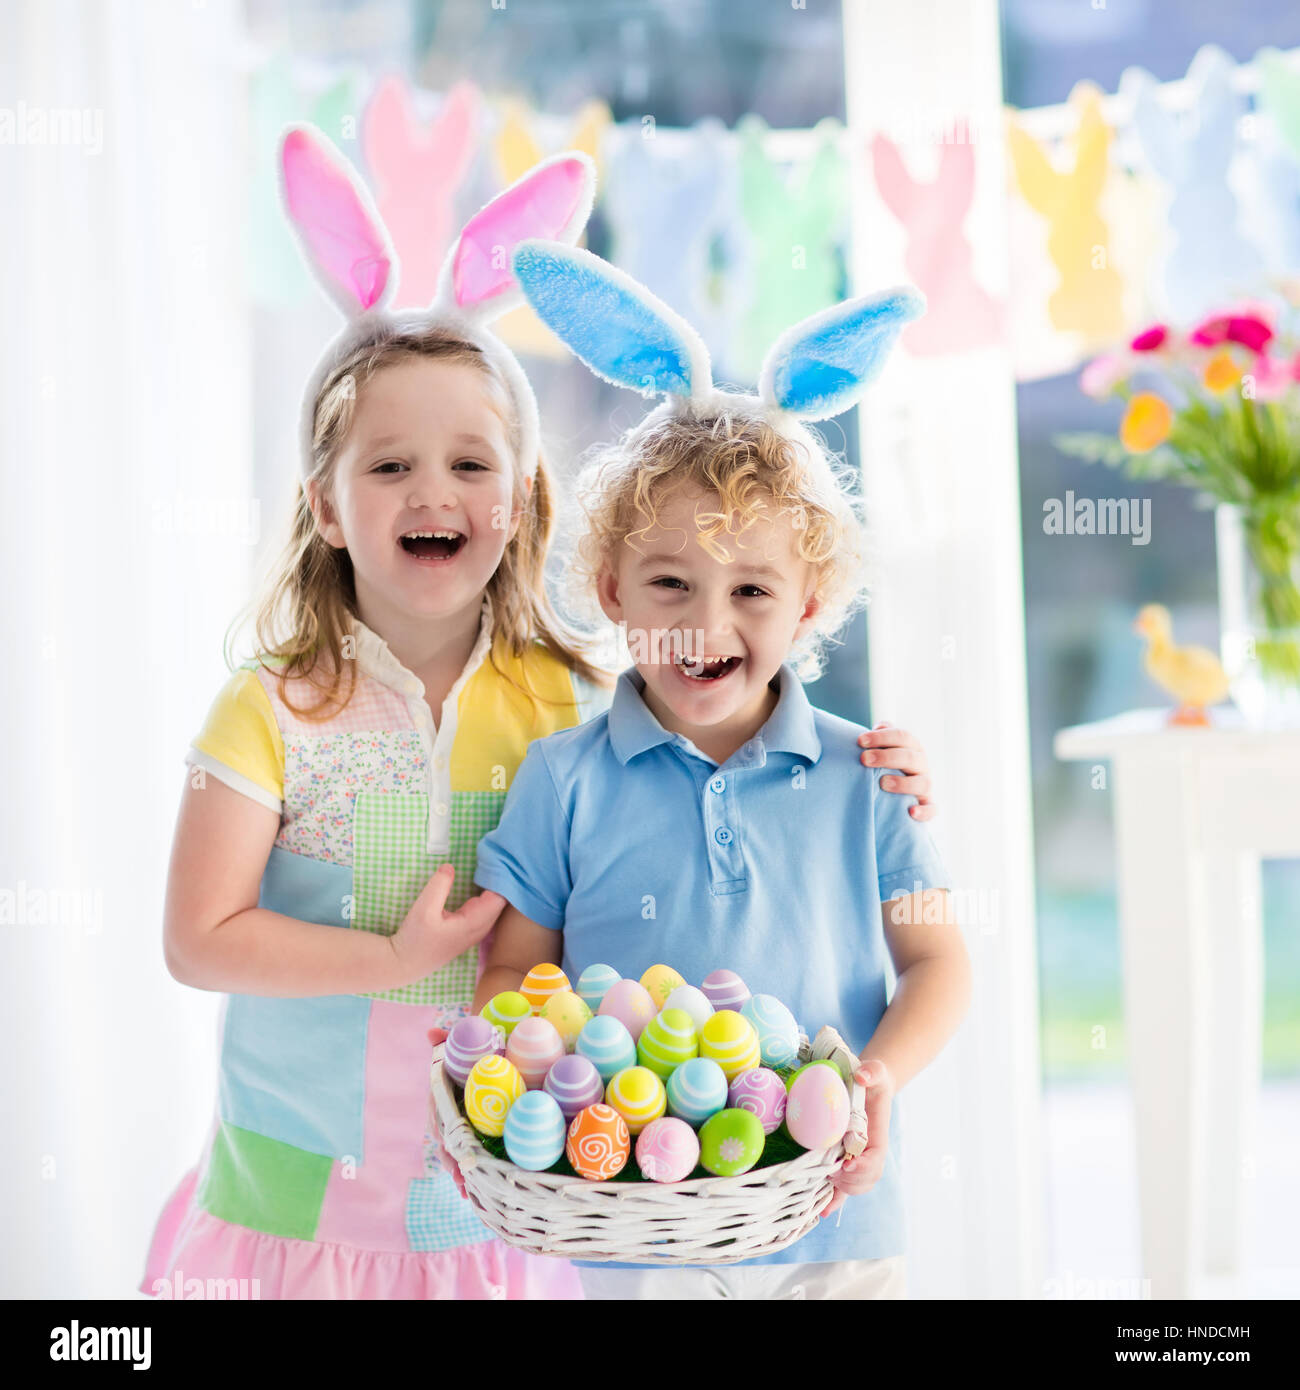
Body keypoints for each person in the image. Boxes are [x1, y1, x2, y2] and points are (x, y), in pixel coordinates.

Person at [465, 242, 971, 1299]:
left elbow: (937, 961)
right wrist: (504, 1061)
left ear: (810, 601)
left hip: (832, 1222)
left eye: (751, 590)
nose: (706, 622)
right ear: (611, 587)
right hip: (630, 1230)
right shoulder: (562, 781)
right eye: (669, 583)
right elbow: (513, 975)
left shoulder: (868, 775)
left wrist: (876, 1077)